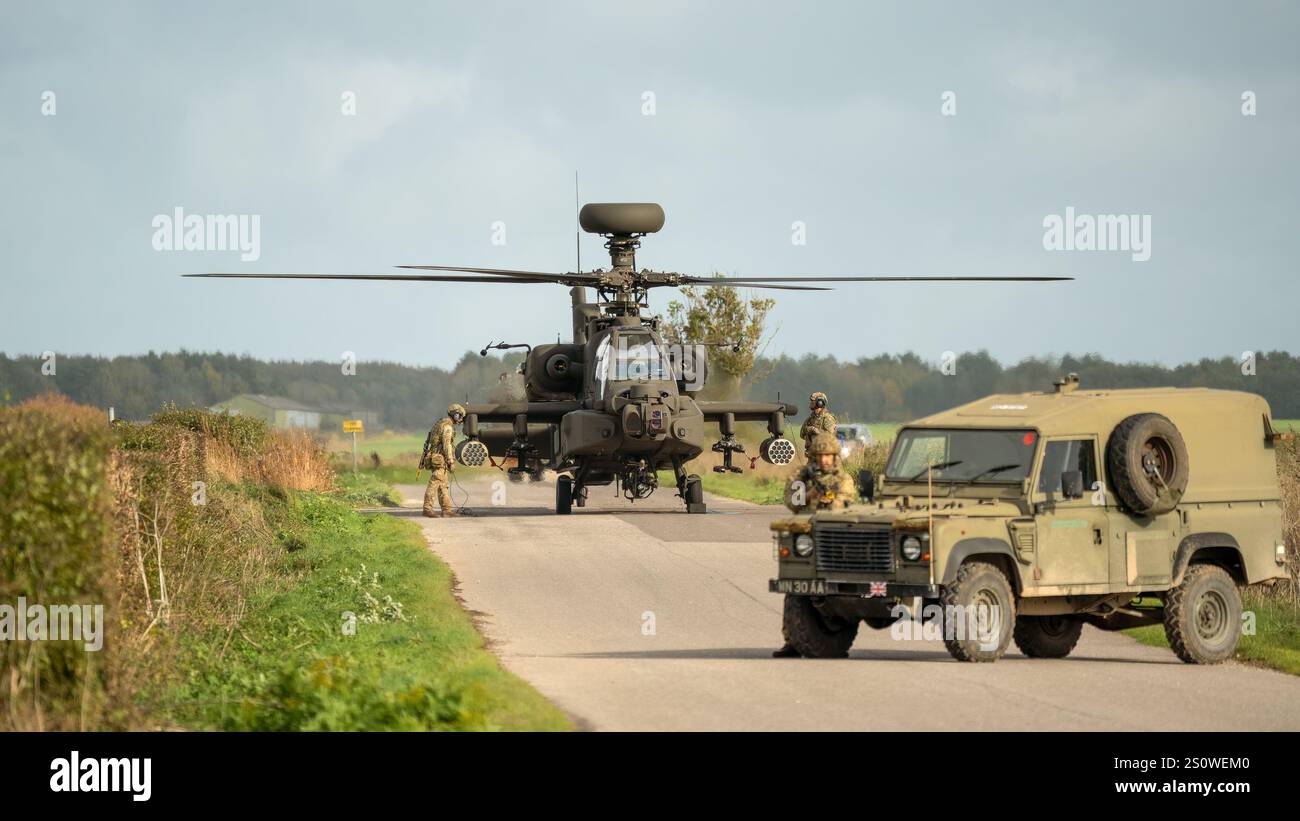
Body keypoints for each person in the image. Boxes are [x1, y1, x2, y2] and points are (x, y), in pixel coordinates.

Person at [774, 433, 857, 657]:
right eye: (820, 456)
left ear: (835, 456)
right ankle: (792, 639)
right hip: (807, 536)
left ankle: (834, 637)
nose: (824, 461)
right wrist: (811, 494)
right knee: (796, 589)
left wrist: (831, 500)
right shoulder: (801, 476)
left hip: (834, 536)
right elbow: (793, 504)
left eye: (828, 456)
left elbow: (847, 501)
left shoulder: (843, 479)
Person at [421, 403, 465, 518]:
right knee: (435, 483)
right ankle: (427, 509)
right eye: (460, 416)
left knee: (443, 485)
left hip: (436, 457)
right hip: (440, 458)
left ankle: (446, 510)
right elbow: (447, 445)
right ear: (455, 415)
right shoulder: (448, 427)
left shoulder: (441, 423)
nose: (460, 419)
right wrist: (451, 461)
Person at [799, 391, 837, 461]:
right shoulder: (810, 418)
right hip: (811, 456)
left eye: (812, 402)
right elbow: (801, 434)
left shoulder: (827, 418)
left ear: (820, 403)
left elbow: (830, 437)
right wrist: (809, 429)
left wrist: (816, 431)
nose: (810, 403)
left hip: (823, 456)